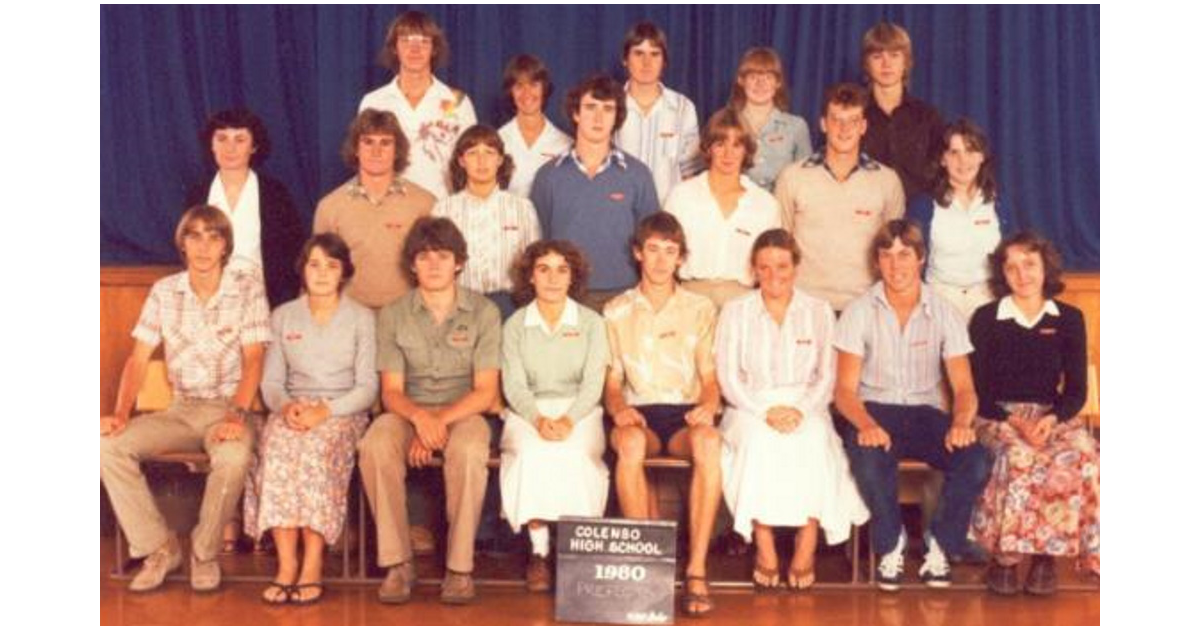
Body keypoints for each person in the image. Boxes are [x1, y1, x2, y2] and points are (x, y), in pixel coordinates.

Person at [100, 205, 269, 593]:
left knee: (233, 454)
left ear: (225, 245)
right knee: (106, 445)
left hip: (229, 409)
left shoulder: (246, 289)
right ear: (183, 244)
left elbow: (255, 359)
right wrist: (120, 413)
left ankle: (204, 552)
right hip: (180, 410)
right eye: (194, 235)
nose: (204, 245)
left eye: (213, 236)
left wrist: (237, 416)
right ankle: (159, 548)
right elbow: (138, 359)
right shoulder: (165, 291)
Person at [833, 219, 992, 591]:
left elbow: (965, 388)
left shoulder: (945, 311)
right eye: (886, 256)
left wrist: (962, 422)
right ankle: (891, 545)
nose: (895, 264)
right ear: (876, 263)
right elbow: (843, 391)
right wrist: (865, 424)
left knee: (976, 458)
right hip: (874, 410)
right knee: (869, 461)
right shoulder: (858, 311)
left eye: (905, 254)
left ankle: (939, 544)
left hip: (924, 412)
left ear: (920, 258)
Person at [358, 217, 502, 605]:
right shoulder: (393, 313)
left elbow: (486, 391)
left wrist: (437, 422)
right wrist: (420, 420)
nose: (434, 264)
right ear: (412, 264)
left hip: (464, 412)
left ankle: (459, 568)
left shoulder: (484, 312)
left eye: (443, 256)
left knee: (470, 450)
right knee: (375, 444)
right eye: (424, 257)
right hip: (408, 412)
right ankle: (398, 563)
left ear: (458, 262)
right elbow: (391, 392)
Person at [716, 229, 868, 591]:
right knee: (757, 443)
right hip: (749, 405)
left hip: (807, 404)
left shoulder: (818, 312)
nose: (774, 276)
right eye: (764, 267)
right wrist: (762, 411)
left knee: (813, 440)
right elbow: (728, 376)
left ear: (796, 268)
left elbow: (827, 376)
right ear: (753, 270)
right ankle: (764, 542)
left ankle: (807, 539)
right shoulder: (736, 311)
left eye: (782, 266)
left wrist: (802, 410)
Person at [243, 234, 378, 605]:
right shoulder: (284, 315)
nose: (322, 273)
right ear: (302, 269)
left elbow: (367, 387)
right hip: (294, 409)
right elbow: (271, 383)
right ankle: (286, 564)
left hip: (342, 411)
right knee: (279, 448)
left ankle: (313, 563)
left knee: (316, 453)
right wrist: (286, 408)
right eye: (314, 264)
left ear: (344, 273)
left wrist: (326, 412)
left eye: (331, 265)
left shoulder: (361, 318)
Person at [602, 213, 722, 616]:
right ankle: (646, 568)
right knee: (631, 444)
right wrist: (618, 411)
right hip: (639, 412)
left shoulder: (700, 307)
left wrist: (709, 404)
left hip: (685, 414)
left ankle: (696, 570)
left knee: (709, 442)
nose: (660, 260)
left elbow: (709, 374)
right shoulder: (616, 310)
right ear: (638, 253)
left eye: (669, 252)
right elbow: (612, 379)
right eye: (652, 250)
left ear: (680, 259)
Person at [968, 232, 1098, 596]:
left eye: (1029, 264)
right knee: (1020, 457)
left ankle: (1045, 557)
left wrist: (1050, 420)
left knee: (1080, 454)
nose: (1021, 274)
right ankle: (1006, 559)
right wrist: (1015, 422)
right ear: (1002, 274)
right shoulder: (986, 318)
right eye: (1011, 267)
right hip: (998, 415)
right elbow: (977, 391)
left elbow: (1076, 391)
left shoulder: (1069, 318)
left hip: (1051, 415)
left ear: (1045, 268)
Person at [500, 240, 610, 593]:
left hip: (580, 411)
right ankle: (539, 553)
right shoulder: (516, 324)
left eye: (562, 269)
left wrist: (568, 419)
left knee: (573, 454)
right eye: (543, 269)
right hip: (527, 410)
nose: (552, 278)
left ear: (573, 276)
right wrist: (536, 418)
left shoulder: (592, 322)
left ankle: (575, 551)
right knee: (532, 454)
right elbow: (513, 383)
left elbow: (594, 383)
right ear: (530, 276)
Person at [530, 74, 659, 312]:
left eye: (608, 109)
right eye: (590, 107)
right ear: (576, 113)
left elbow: (651, 243)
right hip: (565, 296)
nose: (598, 118)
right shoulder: (548, 177)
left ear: (617, 118)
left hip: (624, 297)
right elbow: (539, 241)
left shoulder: (638, 175)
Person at [775, 82, 905, 312]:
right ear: (823, 124)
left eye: (853, 121)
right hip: (805, 305)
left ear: (863, 126)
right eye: (836, 120)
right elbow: (780, 248)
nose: (844, 129)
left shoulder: (887, 180)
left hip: (865, 306)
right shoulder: (792, 177)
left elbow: (894, 252)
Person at [313, 109, 435, 310]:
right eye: (368, 142)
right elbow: (318, 274)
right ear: (356, 149)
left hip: (407, 316)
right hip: (349, 317)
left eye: (385, 143)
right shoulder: (330, 207)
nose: (376, 151)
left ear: (397, 150)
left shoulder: (424, 204)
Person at [186, 107, 305, 308]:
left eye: (239, 140)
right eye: (222, 139)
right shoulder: (198, 194)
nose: (229, 148)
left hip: (264, 302)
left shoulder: (275, 193)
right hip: (209, 300)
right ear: (211, 145)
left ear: (254, 146)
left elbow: (292, 254)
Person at [663, 108, 782, 309]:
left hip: (743, 300)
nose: (728, 154)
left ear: (747, 150)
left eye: (737, 145)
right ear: (708, 148)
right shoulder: (681, 196)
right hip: (690, 297)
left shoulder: (765, 204)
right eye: (720, 144)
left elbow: (773, 264)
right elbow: (663, 255)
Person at [360, 10, 477, 199]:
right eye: (406, 40)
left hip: (442, 212)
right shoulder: (374, 102)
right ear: (394, 48)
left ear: (435, 48)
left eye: (424, 41)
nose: (415, 49)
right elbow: (365, 165)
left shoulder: (456, 102)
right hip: (389, 210)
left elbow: (473, 164)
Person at [434, 124, 541, 319]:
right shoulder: (444, 210)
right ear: (461, 161)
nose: (481, 161)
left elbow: (534, 266)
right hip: (459, 304)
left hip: (509, 305)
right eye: (473, 153)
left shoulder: (522, 208)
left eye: (489, 153)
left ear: (500, 159)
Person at [915, 119, 1004, 317]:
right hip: (939, 301)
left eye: (970, 151)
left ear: (982, 156)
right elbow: (912, 261)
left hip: (988, 301)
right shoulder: (923, 206)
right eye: (954, 152)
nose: (963, 161)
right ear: (942, 159)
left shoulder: (999, 203)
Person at [614, 21, 701, 203]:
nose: (647, 62)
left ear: (664, 61)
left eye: (655, 54)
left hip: (667, 216)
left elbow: (690, 174)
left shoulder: (683, 108)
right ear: (625, 59)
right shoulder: (610, 105)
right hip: (619, 213)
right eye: (638, 53)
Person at [860, 21, 945, 203]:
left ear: (906, 62)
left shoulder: (928, 117)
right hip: (864, 213)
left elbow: (942, 173)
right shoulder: (854, 114)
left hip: (916, 217)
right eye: (877, 56)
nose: (886, 63)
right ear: (866, 64)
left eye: (894, 55)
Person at [728, 47, 813, 190]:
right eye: (753, 77)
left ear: (778, 83)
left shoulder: (796, 126)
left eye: (768, 77)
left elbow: (806, 179)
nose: (760, 84)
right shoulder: (727, 122)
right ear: (741, 80)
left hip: (781, 208)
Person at [497, 54, 572, 199]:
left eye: (533, 84)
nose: (527, 93)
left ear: (544, 89)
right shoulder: (497, 140)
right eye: (519, 86)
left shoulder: (565, 145)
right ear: (510, 91)